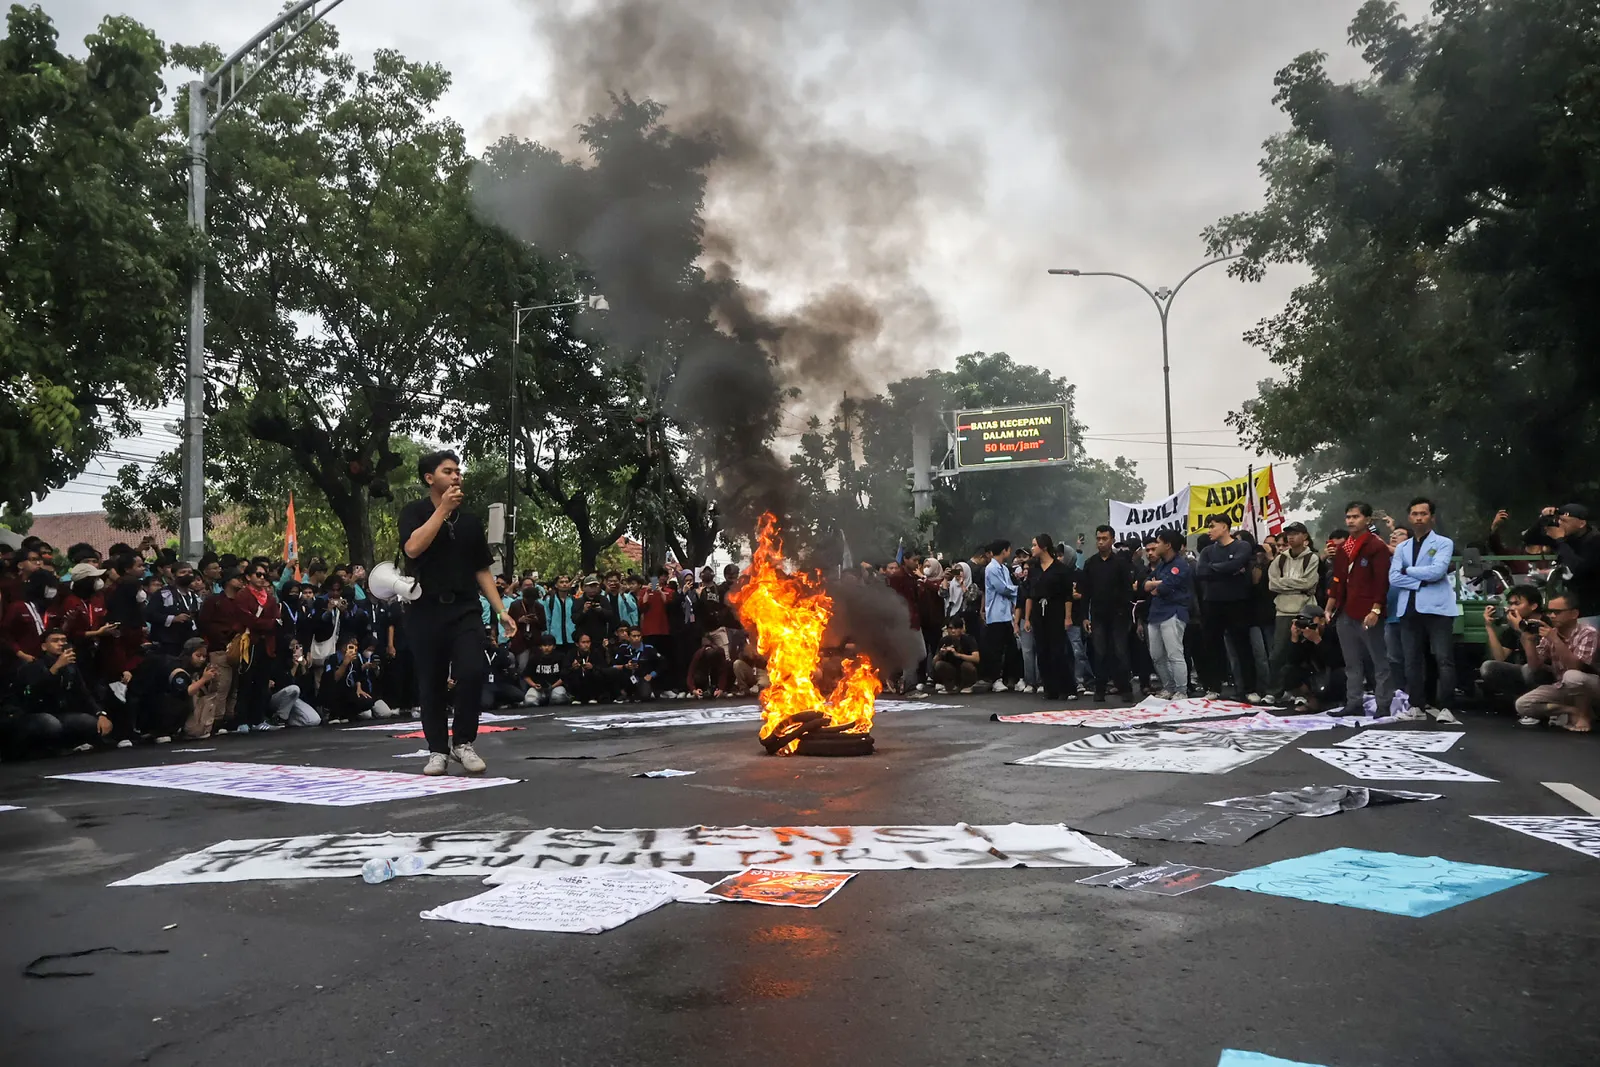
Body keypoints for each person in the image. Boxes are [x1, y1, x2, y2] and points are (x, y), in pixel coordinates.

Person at [398, 450, 514, 776]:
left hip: (465, 608)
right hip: (424, 609)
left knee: (472, 671)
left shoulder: (470, 522)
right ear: (429, 478)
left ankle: (463, 742)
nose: (456, 476)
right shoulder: (413, 512)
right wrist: (443, 510)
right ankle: (437, 749)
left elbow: (481, 569)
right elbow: (412, 548)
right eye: (448, 471)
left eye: (458, 471)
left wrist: (501, 610)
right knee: (431, 682)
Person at [1389, 497, 1462, 723]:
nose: (1419, 518)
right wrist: (1420, 579)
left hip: (1438, 608)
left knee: (1443, 658)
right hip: (1409, 608)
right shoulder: (1402, 547)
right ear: (1409, 517)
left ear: (1432, 517)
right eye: (1415, 514)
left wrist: (1408, 570)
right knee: (1411, 660)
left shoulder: (1443, 543)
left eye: (1423, 513)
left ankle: (1447, 707)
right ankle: (1416, 706)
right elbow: (1393, 577)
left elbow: (1437, 572)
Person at [1325, 501, 1396, 717]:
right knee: (1351, 662)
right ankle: (1354, 703)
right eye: (1348, 517)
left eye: (1355, 517)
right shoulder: (1344, 548)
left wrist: (1376, 610)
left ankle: (1383, 704)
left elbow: (1381, 581)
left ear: (1367, 519)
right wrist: (1329, 607)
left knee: (1378, 660)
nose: (1351, 521)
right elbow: (1337, 580)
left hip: (1367, 611)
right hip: (1345, 610)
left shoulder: (1375, 546)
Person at [0, 628, 109, 758]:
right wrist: (54, 669)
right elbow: (31, 695)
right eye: (55, 641)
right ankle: (35, 750)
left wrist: (100, 714)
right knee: (51, 723)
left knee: (90, 722)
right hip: (30, 715)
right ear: (44, 647)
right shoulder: (33, 666)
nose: (61, 643)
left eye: (63, 640)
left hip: (58, 713)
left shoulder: (70, 667)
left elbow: (84, 693)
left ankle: (66, 744)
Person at [1195, 515, 1268, 701]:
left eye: (1212, 526)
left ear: (1224, 527)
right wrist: (1227, 570)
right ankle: (1213, 687)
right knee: (1212, 645)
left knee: (1242, 646)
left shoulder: (1242, 546)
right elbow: (1201, 571)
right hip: (1212, 602)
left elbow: (1236, 564)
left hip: (1237, 602)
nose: (1209, 530)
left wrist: (1217, 569)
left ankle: (1250, 688)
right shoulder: (1207, 551)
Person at [1513, 592, 1598, 731]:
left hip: (1590, 685)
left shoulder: (1588, 633)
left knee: (1572, 676)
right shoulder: (1552, 633)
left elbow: (1575, 666)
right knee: (1523, 705)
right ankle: (1571, 711)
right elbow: (1534, 667)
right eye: (1549, 612)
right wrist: (1528, 641)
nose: (1551, 616)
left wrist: (1555, 639)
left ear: (1574, 614)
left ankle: (1584, 716)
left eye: (1557, 612)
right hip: (1564, 686)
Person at [1521, 504, 1600, 627]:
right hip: (1570, 601)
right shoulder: (1564, 537)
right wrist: (1542, 519)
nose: (1560, 524)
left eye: (1565, 521)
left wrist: (1560, 541)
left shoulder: (1595, 541)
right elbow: (1529, 538)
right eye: (1559, 520)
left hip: (1592, 603)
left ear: (1581, 524)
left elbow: (1578, 568)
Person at [1080, 525, 1134, 703]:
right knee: (1099, 653)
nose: (1101, 542)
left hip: (1119, 615)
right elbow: (1085, 593)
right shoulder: (1090, 563)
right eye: (1098, 539)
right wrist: (1084, 617)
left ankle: (1125, 688)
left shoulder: (1121, 563)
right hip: (1098, 615)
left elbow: (1128, 590)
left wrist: (1126, 612)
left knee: (1120, 652)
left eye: (1104, 538)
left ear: (1112, 540)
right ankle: (1100, 689)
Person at [1266, 521, 1321, 696]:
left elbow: (1309, 583)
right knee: (1278, 654)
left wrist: (1284, 583)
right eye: (1289, 534)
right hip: (1283, 611)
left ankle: (1303, 694)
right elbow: (1272, 584)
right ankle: (1274, 691)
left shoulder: (1311, 558)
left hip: (1304, 610)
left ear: (1304, 536)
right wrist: (1296, 585)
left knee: (1303, 654)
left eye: (1295, 533)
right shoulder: (1280, 559)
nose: (1290, 537)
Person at [125, 638, 215, 742]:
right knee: (180, 701)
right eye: (198, 656)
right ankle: (161, 730)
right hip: (151, 701)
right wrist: (204, 679)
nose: (202, 659)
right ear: (189, 654)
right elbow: (186, 691)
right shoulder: (177, 668)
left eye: (204, 656)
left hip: (154, 698)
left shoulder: (189, 667)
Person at [194, 571, 246, 738]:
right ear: (227, 581)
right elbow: (204, 623)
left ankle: (229, 719)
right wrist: (222, 636)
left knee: (234, 687)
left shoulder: (242, 602)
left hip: (239, 648)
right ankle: (214, 721)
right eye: (237, 578)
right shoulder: (214, 601)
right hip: (219, 648)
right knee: (220, 686)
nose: (241, 582)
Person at [1479, 585, 1548, 709]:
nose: (1512, 608)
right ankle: (1519, 698)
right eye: (1510, 604)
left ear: (1533, 606)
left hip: (1545, 670)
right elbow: (1500, 657)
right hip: (1524, 670)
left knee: (1528, 669)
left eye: (1517, 604)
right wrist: (1489, 626)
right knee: (1488, 667)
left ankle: (1532, 702)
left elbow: (1536, 662)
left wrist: (1521, 629)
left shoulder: (1545, 623)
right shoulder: (1514, 626)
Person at [1143, 529, 1193, 700]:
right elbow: (1145, 584)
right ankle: (1168, 687)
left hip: (1173, 612)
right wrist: (1155, 584)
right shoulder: (1162, 565)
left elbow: (1165, 587)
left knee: (1174, 654)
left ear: (1168, 545)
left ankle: (1181, 690)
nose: (1155, 546)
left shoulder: (1180, 565)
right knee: (1156, 655)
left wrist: (1156, 585)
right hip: (1155, 614)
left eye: (1158, 542)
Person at [1024, 534, 1075, 700]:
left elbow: (1067, 596)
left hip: (1055, 611)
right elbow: (1029, 595)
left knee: (1058, 651)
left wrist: (1068, 617)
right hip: (1038, 612)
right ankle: (1049, 687)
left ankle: (1066, 687)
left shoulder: (1060, 569)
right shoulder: (1034, 570)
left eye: (1034, 545)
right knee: (1042, 650)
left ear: (1044, 546)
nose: (1032, 548)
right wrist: (1027, 618)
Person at [1276, 606, 1345, 711]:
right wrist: (1294, 639)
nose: (1307, 624)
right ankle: (1312, 701)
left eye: (1310, 620)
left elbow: (1337, 661)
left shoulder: (1334, 631)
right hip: (1315, 673)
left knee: (1340, 673)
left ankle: (1334, 702)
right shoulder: (1304, 634)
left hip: (1334, 672)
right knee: (1288, 672)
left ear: (1322, 620)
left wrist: (1317, 640)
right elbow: (1292, 661)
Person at [981, 539, 1018, 692]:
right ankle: (995, 679)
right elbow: (1002, 588)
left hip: (1006, 614)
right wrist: (1019, 590)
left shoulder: (1004, 568)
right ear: (1004, 551)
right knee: (996, 649)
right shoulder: (991, 568)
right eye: (1009, 549)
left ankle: (1010, 677)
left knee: (1011, 647)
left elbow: (1009, 588)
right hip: (995, 614)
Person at [930, 616, 981, 693]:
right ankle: (950, 686)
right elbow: (933, 663)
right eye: (950, 628)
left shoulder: (969, 639)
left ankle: (968, 685)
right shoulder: (944, 640)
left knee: (967, 666)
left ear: (961, 629)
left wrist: (958, 654)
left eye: (956, 628)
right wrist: (940, 654)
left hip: (965, 669)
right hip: (952, 670)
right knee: (939, 665)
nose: (953, 631)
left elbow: (976, 658)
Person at [521, 633, 572, 706]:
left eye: (549, 645)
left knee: (559, 698)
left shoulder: (561, 657)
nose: (547, 648)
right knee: (529, 701)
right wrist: (534, 685)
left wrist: (552, 686)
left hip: (556, 687)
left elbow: (564, 676)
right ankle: (543, 701)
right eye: (544, 645)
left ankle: (556, 699)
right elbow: (526, 675)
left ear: (554, 646)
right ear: (540, 647)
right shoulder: (534, 658)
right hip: (538, 689)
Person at [567, 632, 610, 704]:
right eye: (583, 642)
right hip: (577, 686)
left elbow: (604, 668)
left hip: (593, 685)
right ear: (577, 644)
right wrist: (572, 668)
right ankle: (577, 697)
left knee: (596, 673)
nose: (586, 645)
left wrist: (593, 667)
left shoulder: (595, 652)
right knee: (572, 674)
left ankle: (594, 696)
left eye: (588, 642)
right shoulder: (571, 654)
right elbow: (564, 672)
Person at [684, 632, 731, 698]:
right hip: (703, 671)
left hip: (715, 670)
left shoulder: (720, 653)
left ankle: (720, 688)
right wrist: (693, 690)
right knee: (698, 677)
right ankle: (701, 689)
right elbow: (690, 673)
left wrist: (721, 689)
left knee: (728, 665)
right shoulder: (698, 655)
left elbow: (723, 672)